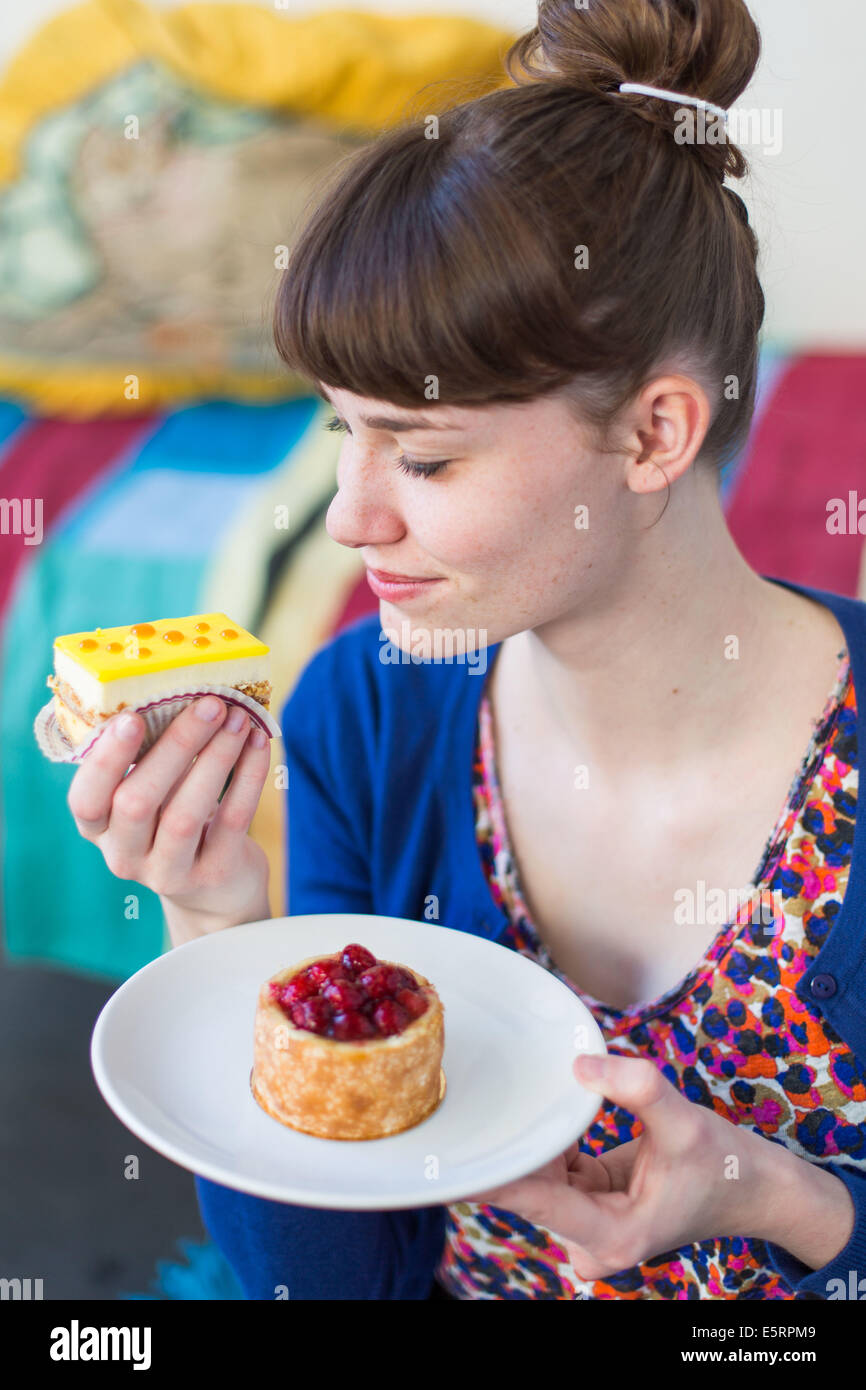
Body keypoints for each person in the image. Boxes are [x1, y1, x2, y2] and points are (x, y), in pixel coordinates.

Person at [66, 0, 866, 1299]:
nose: (349, 518)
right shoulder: (367, 714)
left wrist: (772, 1192)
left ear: (655, 435)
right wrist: (220, 926)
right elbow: (333, 1284)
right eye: (342, 435)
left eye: (425, 454)